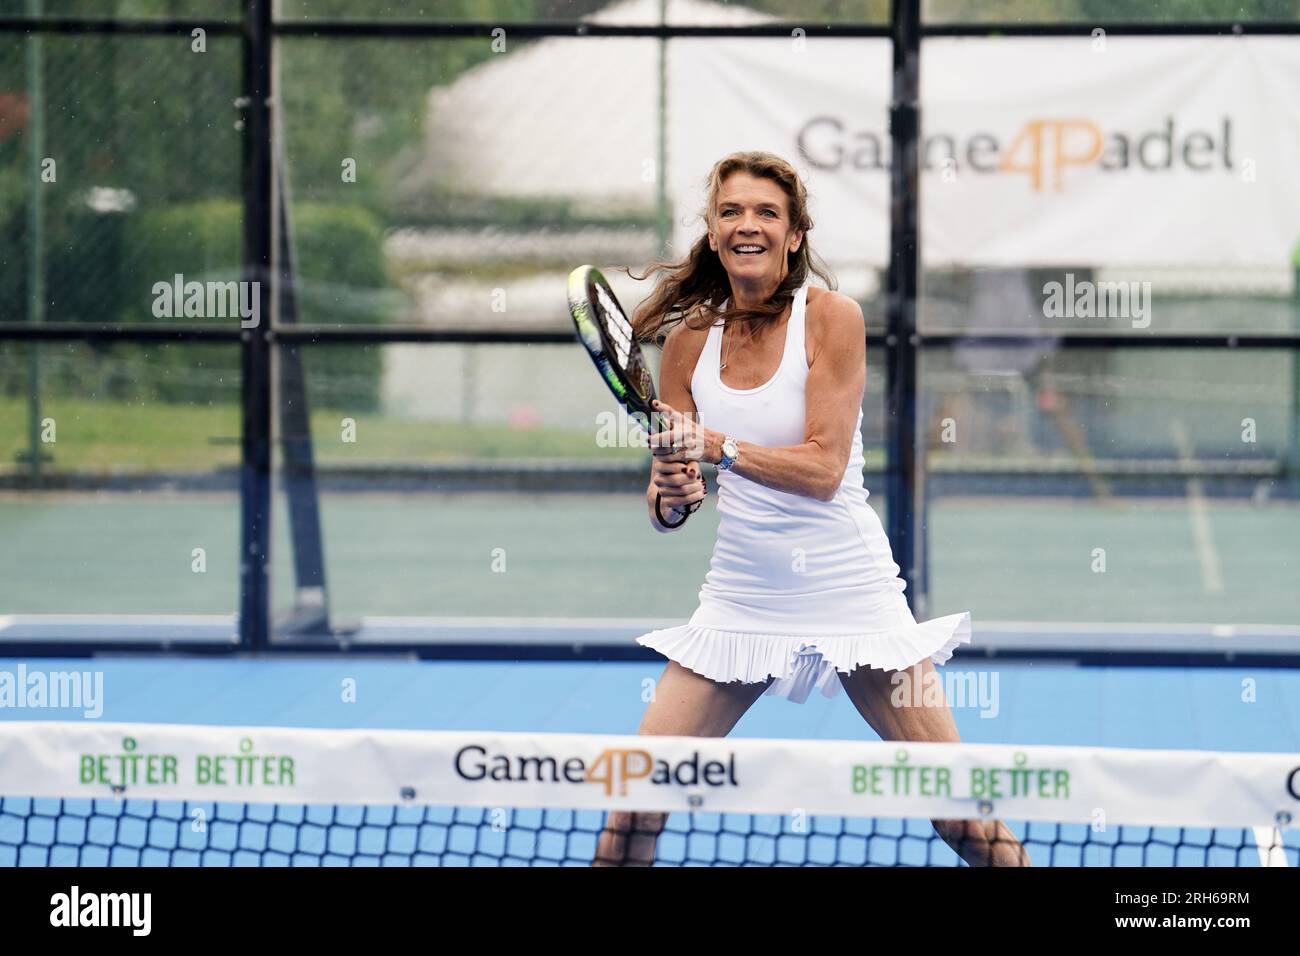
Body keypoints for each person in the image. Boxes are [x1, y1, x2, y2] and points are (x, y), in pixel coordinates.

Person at [593, 151, 1028, 867]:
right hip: (740, 598)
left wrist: (715, 445)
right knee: (634, 805)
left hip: (852, 593)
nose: (748, 225)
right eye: (731, 211)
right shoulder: (688, 346)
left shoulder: (832, 318)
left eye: (767, 212)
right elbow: (669, 498)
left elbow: (824, 468)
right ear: (712, 230)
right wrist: (672, 496)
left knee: (961, 816)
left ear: (795, 235)